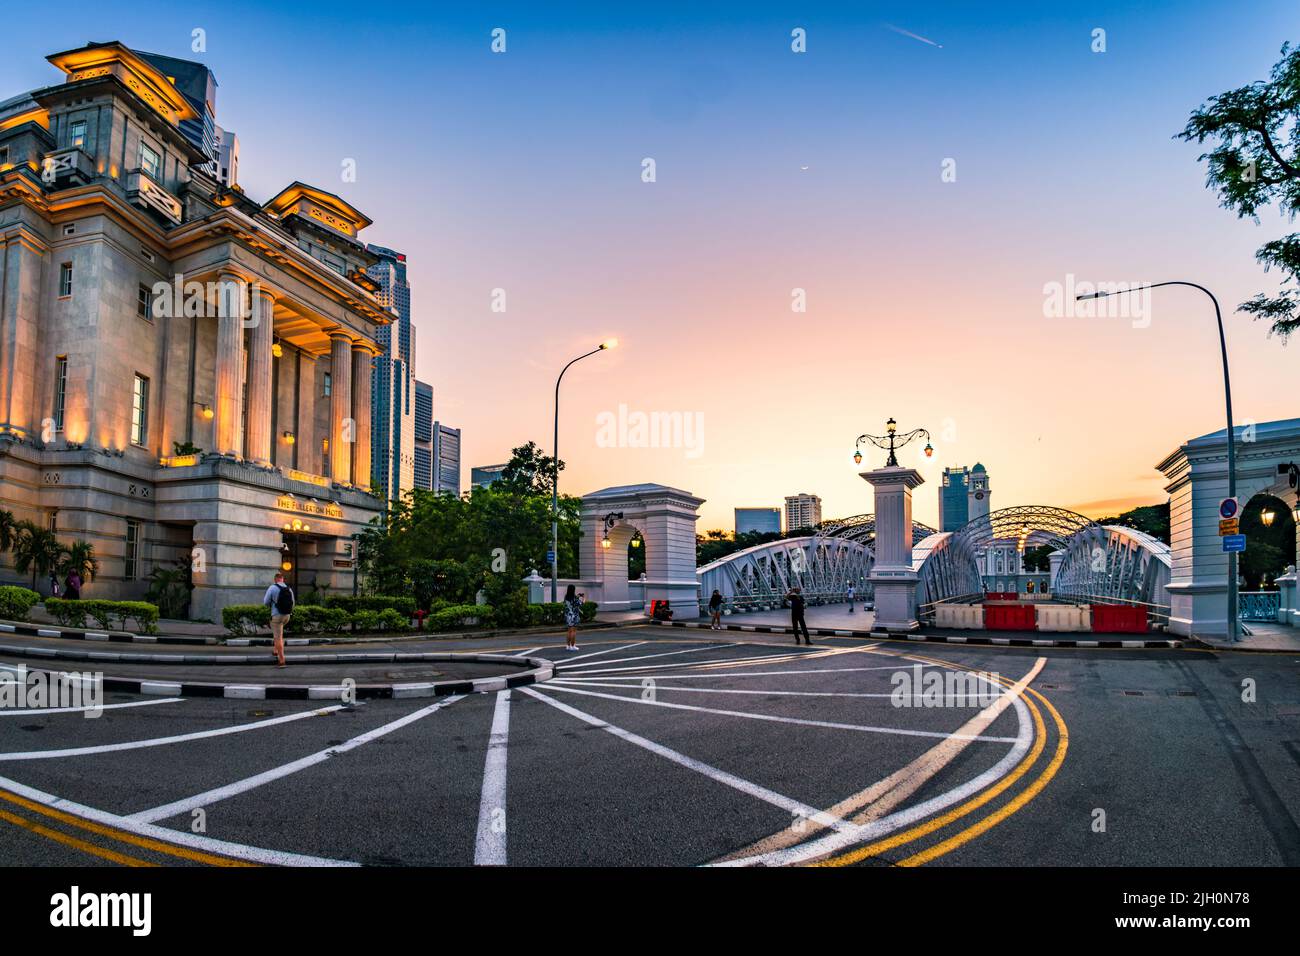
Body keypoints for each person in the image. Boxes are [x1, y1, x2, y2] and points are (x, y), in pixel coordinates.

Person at [262, 572, 294, 667]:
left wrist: (273, 604)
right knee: (279, 633)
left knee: (278, 637)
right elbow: (293, 603)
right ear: (282, 579)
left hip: (277, 615)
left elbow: (266, 602)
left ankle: (282, 660)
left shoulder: (272, 587)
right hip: (287, 616)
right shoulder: (289, 589)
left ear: (275, 580)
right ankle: (275, 651)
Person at [563, 584, 584, 650]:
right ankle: (573, 646)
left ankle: (568, 646)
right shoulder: (574, 598)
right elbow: (581, 604)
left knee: (569, 631)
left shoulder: (566, 597)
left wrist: (577, 596)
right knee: (573, 631)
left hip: (568, 616)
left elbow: (569, 603)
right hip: (574, 616)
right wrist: (584, 597)